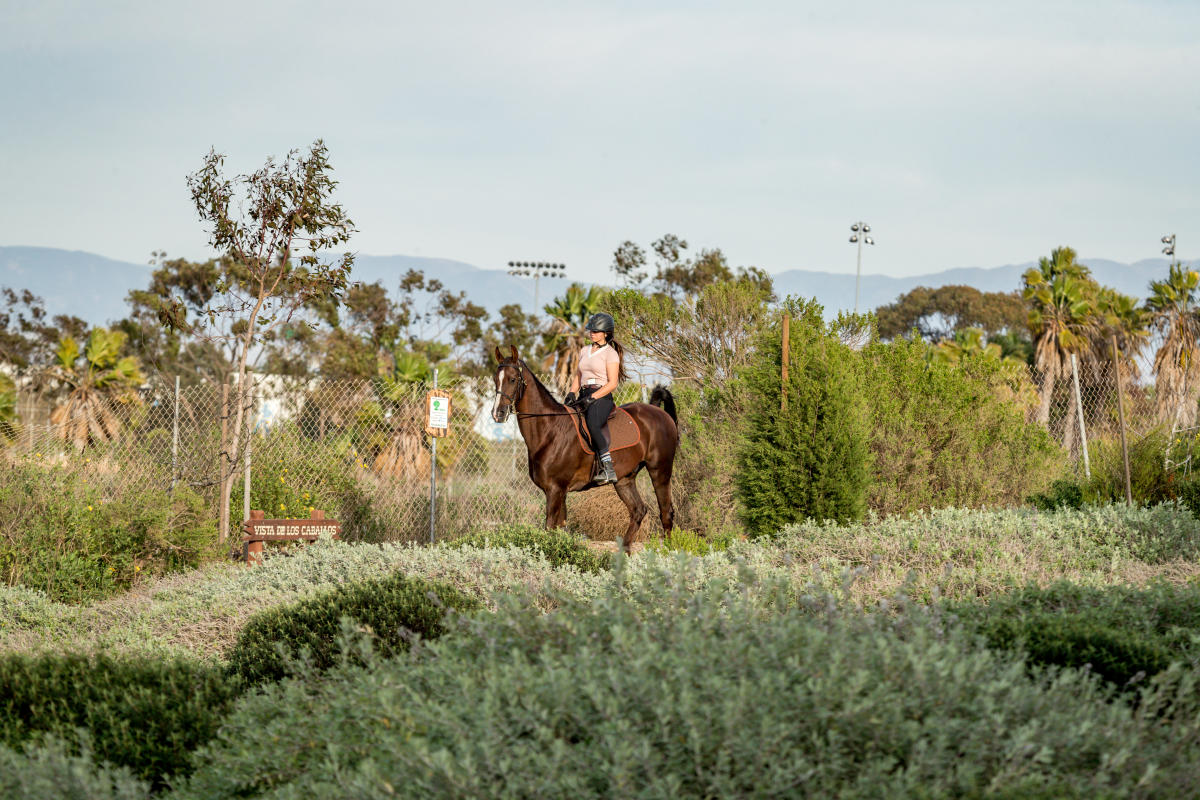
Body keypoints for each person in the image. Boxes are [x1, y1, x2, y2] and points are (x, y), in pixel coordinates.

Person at [564, 312, 627, 484]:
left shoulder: (610, 354)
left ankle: (608, 469)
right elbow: (579, 376)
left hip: (602, 396)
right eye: (591, 330)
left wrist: (592, 398)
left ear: (606, 333)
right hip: (583, 394)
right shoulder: (584, 350)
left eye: (596, 331)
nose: (592, 333)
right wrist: (571, 393)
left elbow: (613, 383)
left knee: (592, 422)